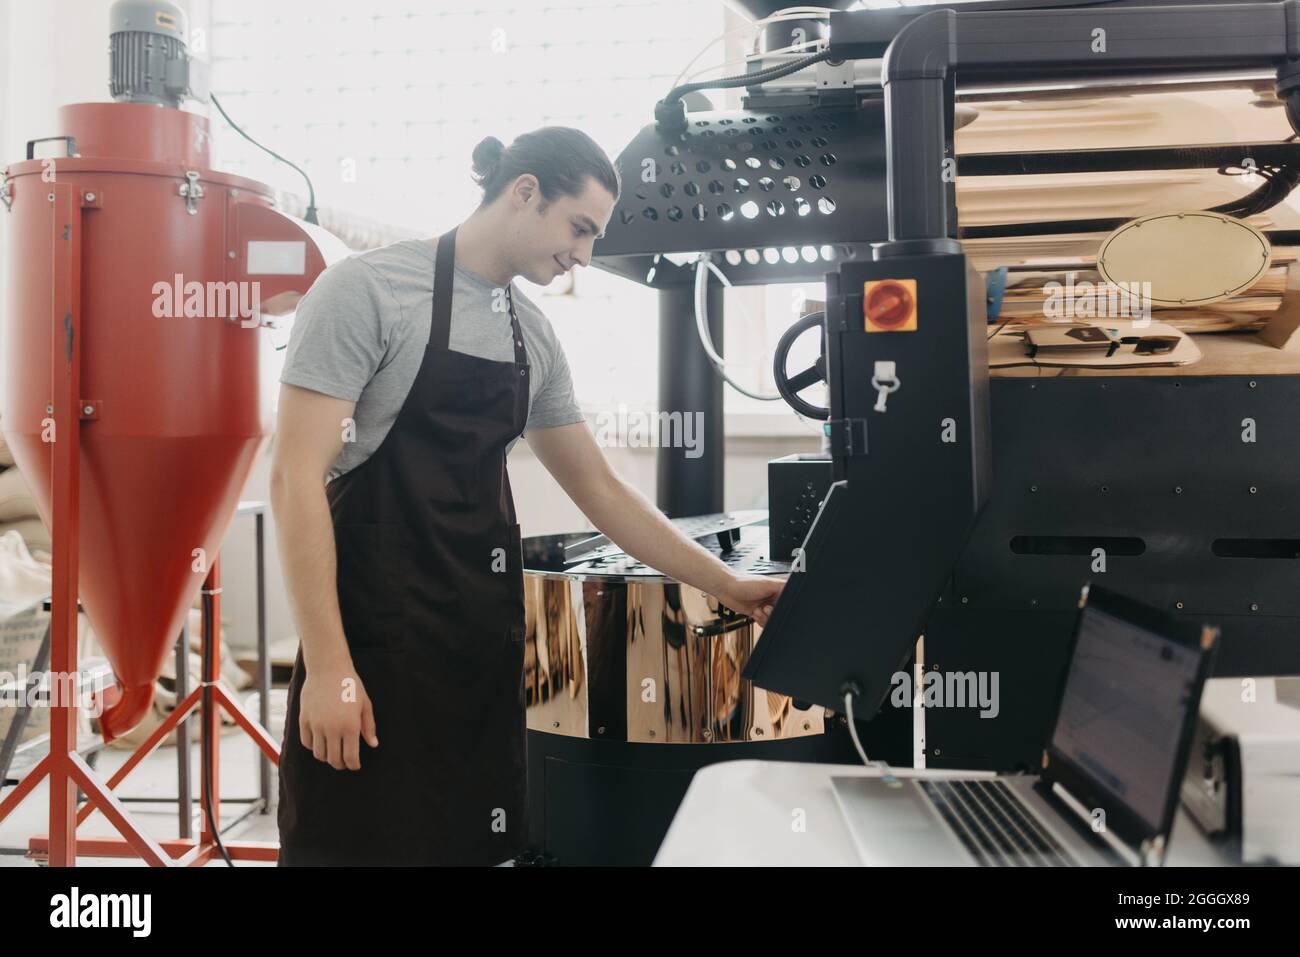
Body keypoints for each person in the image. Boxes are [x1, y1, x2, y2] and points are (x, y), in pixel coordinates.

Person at [270, 126, 784, 865]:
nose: (585, 254)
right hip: (373, 648)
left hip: (477, 647)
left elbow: (601, 489)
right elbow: (293, 480)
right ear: (524, 193)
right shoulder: (367, 292)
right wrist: (327, 667)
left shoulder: (532, 337)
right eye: (579, 227)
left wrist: (727, 583)